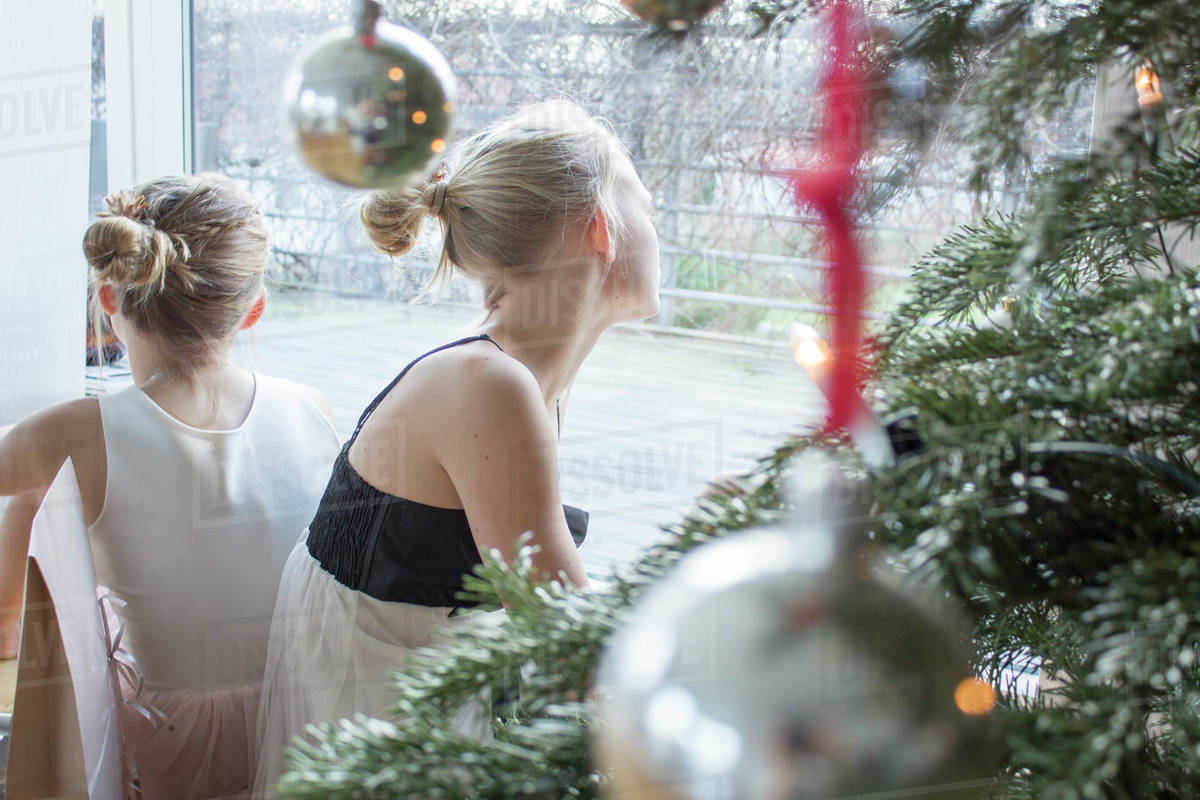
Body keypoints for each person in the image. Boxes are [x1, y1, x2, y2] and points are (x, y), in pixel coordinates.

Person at [254, 100, 660, 792]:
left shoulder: (521, 377)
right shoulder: (486, 385)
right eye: (647, 207)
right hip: (375, 722)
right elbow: (567, 637)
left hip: (421, 694)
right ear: (602, 229)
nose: (657, 229)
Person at [0, 174, 341, 799]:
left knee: (32, 500)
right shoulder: (312, 409)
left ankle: (6, 623)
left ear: (110, 298)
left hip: (170, 740)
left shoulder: (76, 432)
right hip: (301, 722)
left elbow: (13, 477)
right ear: (253, 308)